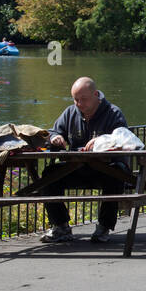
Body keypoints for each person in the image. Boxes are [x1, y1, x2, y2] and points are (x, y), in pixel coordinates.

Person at [40, 77, 130, 244]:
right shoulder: (70, 112)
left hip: (107, 167)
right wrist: (55, 137)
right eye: (76, 99)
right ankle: (61, 226)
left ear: (96, 95)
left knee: (116, 175)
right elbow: (51, 132)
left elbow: (124, 139)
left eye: (84, 99)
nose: (79, 104)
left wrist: (103, 141)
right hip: (77, 168)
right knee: (49, 175)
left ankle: (104, 226)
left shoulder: (113, 112)